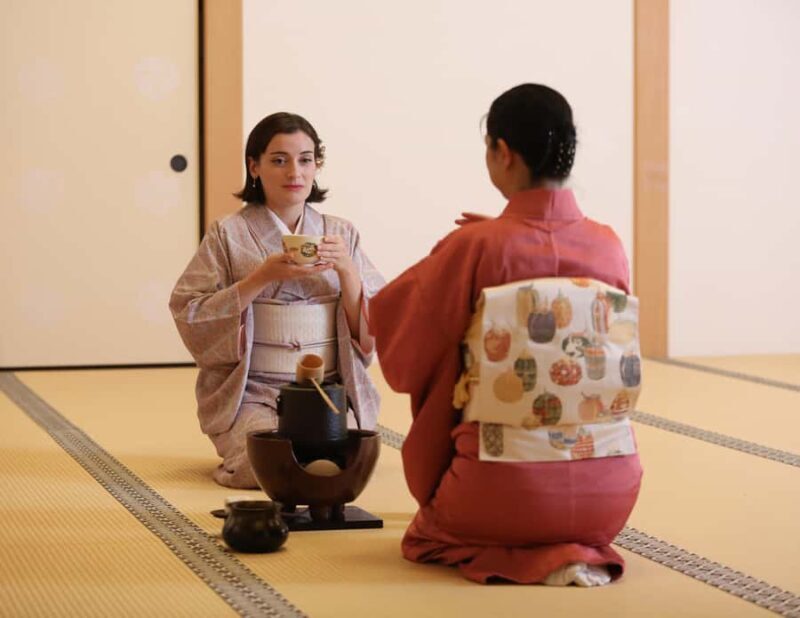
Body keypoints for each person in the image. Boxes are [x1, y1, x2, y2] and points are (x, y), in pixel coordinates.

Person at [369, 84, 642, 585]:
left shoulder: (475, 246)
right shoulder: (608, 246)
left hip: (496, 492)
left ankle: (534, 559)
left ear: (503, 152)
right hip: (609, 497)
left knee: (428, 535)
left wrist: (473, 247)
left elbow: (406, 341)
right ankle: (573, 548)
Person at [170, 112, 384, 489]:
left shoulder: (339, 233)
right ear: (254, 166)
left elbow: (377, 323)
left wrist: (348, 271)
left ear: (317, 166)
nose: (294, 172)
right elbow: (189, 309)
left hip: (327, 389)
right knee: (269, 466)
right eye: (279, 160)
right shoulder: (229, 233)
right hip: (252, 392)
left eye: (305, 159)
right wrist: (260, 278)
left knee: (350, 459)